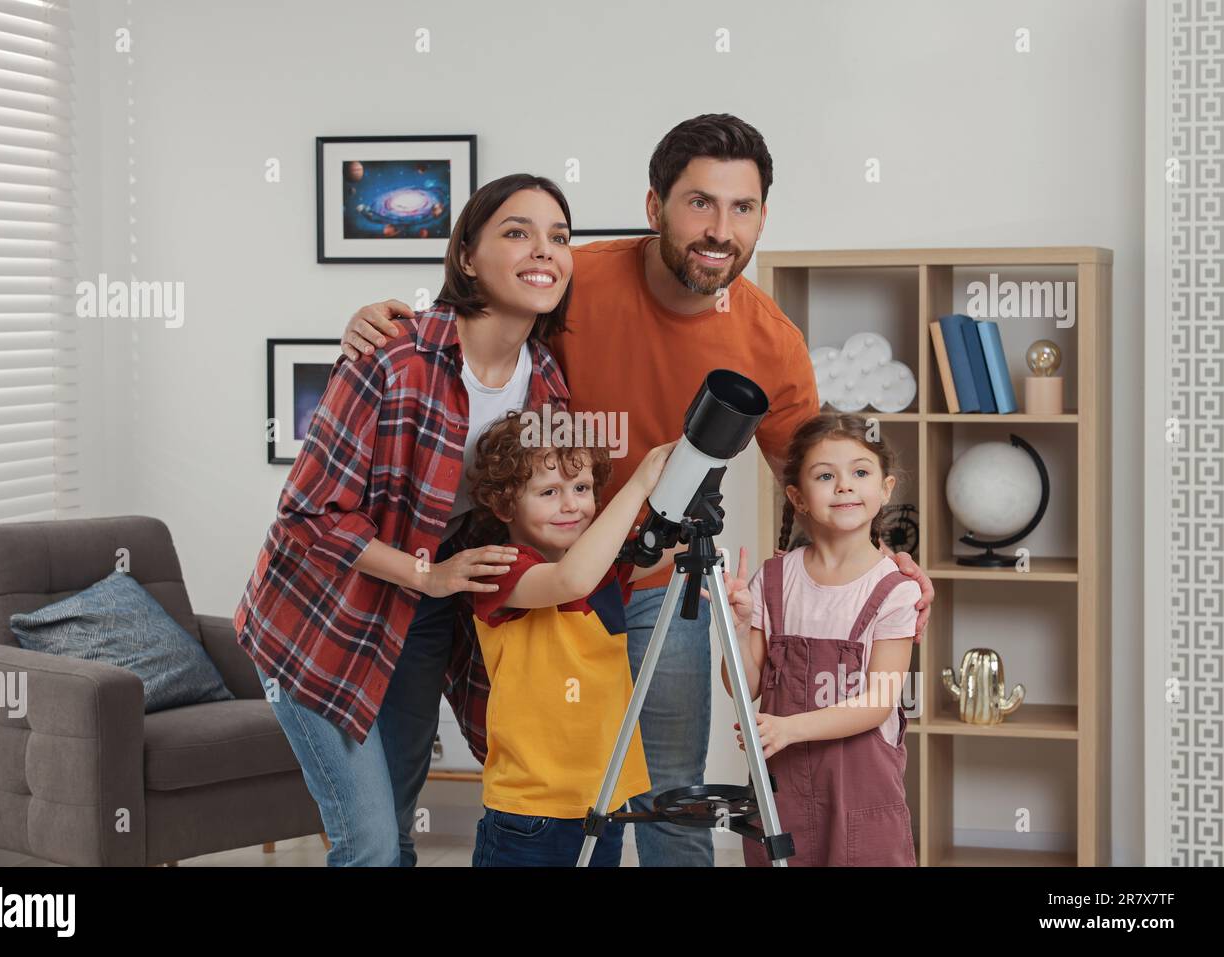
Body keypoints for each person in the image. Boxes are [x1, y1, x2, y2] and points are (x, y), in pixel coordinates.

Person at [339, 114, 935, 866]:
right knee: (541, 787)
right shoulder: (574, 282)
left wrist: (889, 559)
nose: (721, 230)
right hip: (534, 578)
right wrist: (379, 319)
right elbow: (467, 330)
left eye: (742, 209)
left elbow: (819, 479)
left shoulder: (768, 340)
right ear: (655, 208)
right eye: (700, 204)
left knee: (670, 793)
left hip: (658, 580)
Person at [233, 173, 578, 866]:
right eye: (517, 232)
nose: (543, 249)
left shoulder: (547, 385)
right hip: (321, 619)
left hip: (424, 616)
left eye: (559, 237)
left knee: (393, 828)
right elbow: (306, 513)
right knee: (370, 845)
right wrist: (433, 570)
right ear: (467, 258)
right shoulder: (394, 355)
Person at [463, 412, 680, 866]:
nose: (572, 505)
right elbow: (569, 579)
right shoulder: (500, 569)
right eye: (549, 492)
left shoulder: (599, 569)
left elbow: (668, 550)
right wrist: (638, 485)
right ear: (504, 507)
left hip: (602, 801)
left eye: (581, 488)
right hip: (529, 810)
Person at [719, 412, 921, 866]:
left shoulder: (894, 590)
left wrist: (790, 729)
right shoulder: (772, 581)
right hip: (782, 791)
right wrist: (736, 626)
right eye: (825, 475)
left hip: (861, 794)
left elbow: (879, 702)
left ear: (885, 489)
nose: (845, 485)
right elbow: (744, 687)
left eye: (861, 472)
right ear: (798, 497)